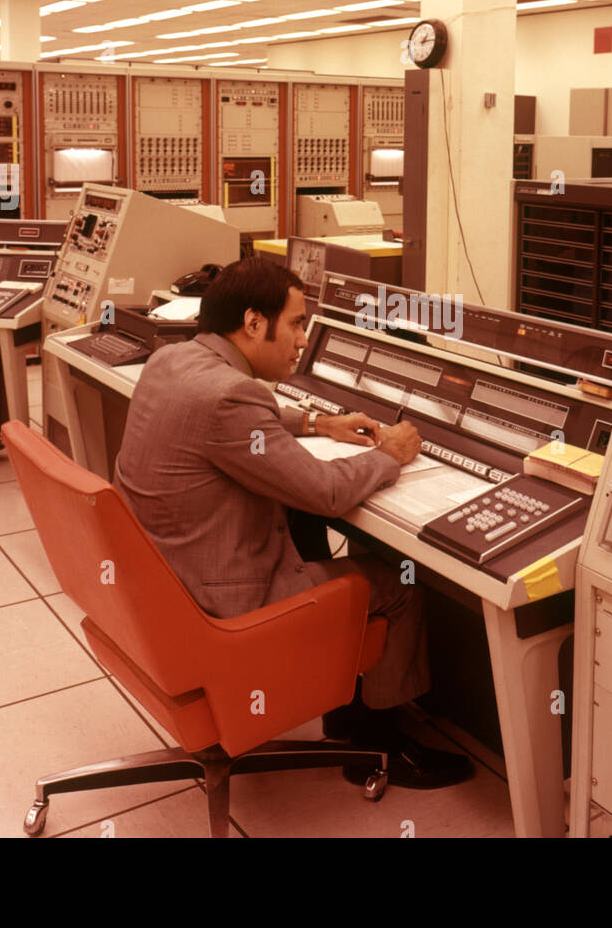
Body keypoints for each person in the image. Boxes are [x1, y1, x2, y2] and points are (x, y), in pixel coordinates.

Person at [113, 256, 471, 790]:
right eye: (299, 323)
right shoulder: (233, 395)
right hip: (222, 606)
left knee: (303, 532)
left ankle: (341, 696)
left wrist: (316, 422)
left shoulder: (174, 361)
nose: (304, 339)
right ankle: (376, 739)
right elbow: (325, 492)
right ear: (254, 323)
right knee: (400, 582)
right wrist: (390, 454)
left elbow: (224, 418)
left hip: (159, 587)